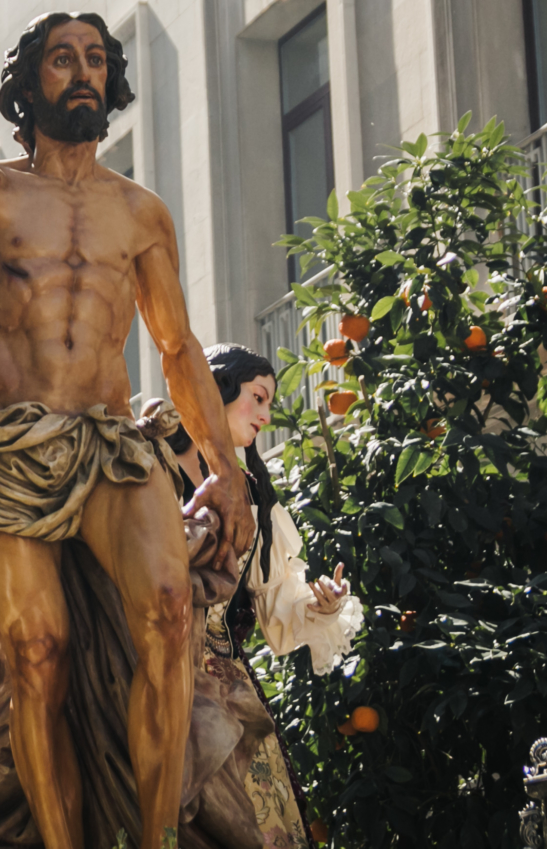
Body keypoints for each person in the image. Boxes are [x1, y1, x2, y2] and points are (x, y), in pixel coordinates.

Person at [0, 11, 255, 849]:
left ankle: (153, 839)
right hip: (4, 445)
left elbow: (177, 345)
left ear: (110, 82)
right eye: (60, 59)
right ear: (28, 83)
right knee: (37, 651)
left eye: (93, 59)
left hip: (110, 438)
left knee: (166, 609)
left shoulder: (140, 211)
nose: (80, 72)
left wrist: (226, 471)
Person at [171, 344, 363, 847]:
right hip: (144, 667)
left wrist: (317, 605)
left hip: (223, 687)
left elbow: (273, 598)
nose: (265, 415)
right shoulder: (150, 462)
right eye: (257, 398)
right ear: (219, 389)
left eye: (269, 403)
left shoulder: (254, 496)